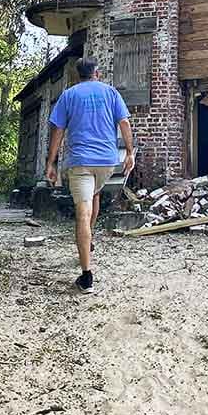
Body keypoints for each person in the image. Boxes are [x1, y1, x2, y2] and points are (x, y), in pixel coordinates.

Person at [45, 57, 134, 293]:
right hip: (106, 163)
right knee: (94, 194)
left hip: (80, 163)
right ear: (97, 73)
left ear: (78, 75)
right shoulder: (111, 92)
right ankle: (89, 240)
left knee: (82, 213)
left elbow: (58, 131)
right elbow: (124, 123)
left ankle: (86, 277)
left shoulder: (69, 95)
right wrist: (130, 153)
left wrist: (51, 163)